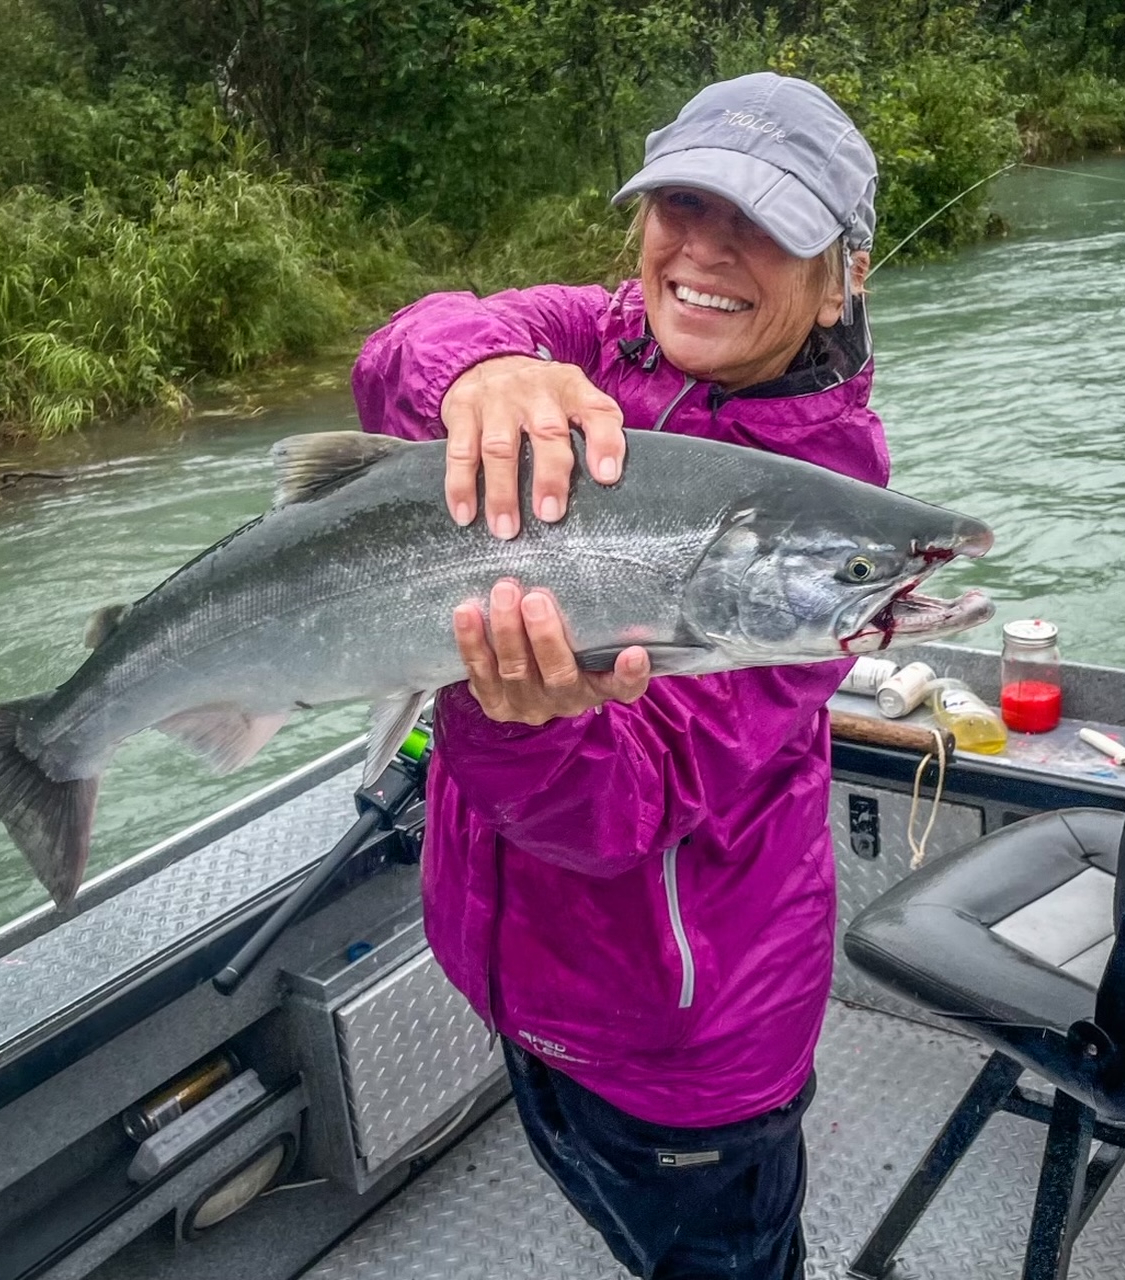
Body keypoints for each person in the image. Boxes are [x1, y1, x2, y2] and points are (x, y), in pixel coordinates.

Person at [351, 71, 886, 1280]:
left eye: (765, 222)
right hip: (506, 982)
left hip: (684, 1059)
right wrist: (479, 374)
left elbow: (614, 813)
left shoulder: (817, 539)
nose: (704, 248)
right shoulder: (600, 330)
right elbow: (400, 349)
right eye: (680, 203)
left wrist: (516, 722)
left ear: (844, 269)